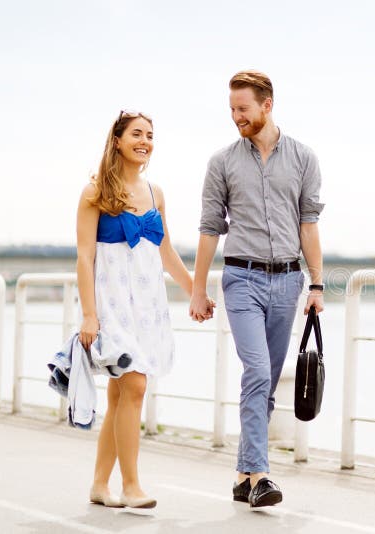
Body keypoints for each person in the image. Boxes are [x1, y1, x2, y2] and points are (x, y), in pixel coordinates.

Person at [189, 70, 325, 508]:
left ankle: (244, 474)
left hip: (288, 281)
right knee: (259, 372)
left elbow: (309, 224)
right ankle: (262, 477)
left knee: (263, 385)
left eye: (242, 109)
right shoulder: (222, 162)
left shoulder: (304, 158)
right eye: (231, 110)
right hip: (242, 279)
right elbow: (210, 229)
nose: (236, 117)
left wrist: (317, 283)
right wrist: (197, 289)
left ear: (267, 105)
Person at [76, 110, 200, 509]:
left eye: (150, 135)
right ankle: (130, 486)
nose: (145, 141)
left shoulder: (155, 193)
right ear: (117, 140)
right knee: (135, 385)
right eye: (136, 133)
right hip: (111, 304)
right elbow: (84, 258)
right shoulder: (95, 191)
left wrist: (196, 292)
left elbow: (166, 252)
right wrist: (89, 315)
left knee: (119, 395)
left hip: (147, 306)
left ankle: (99, 484)